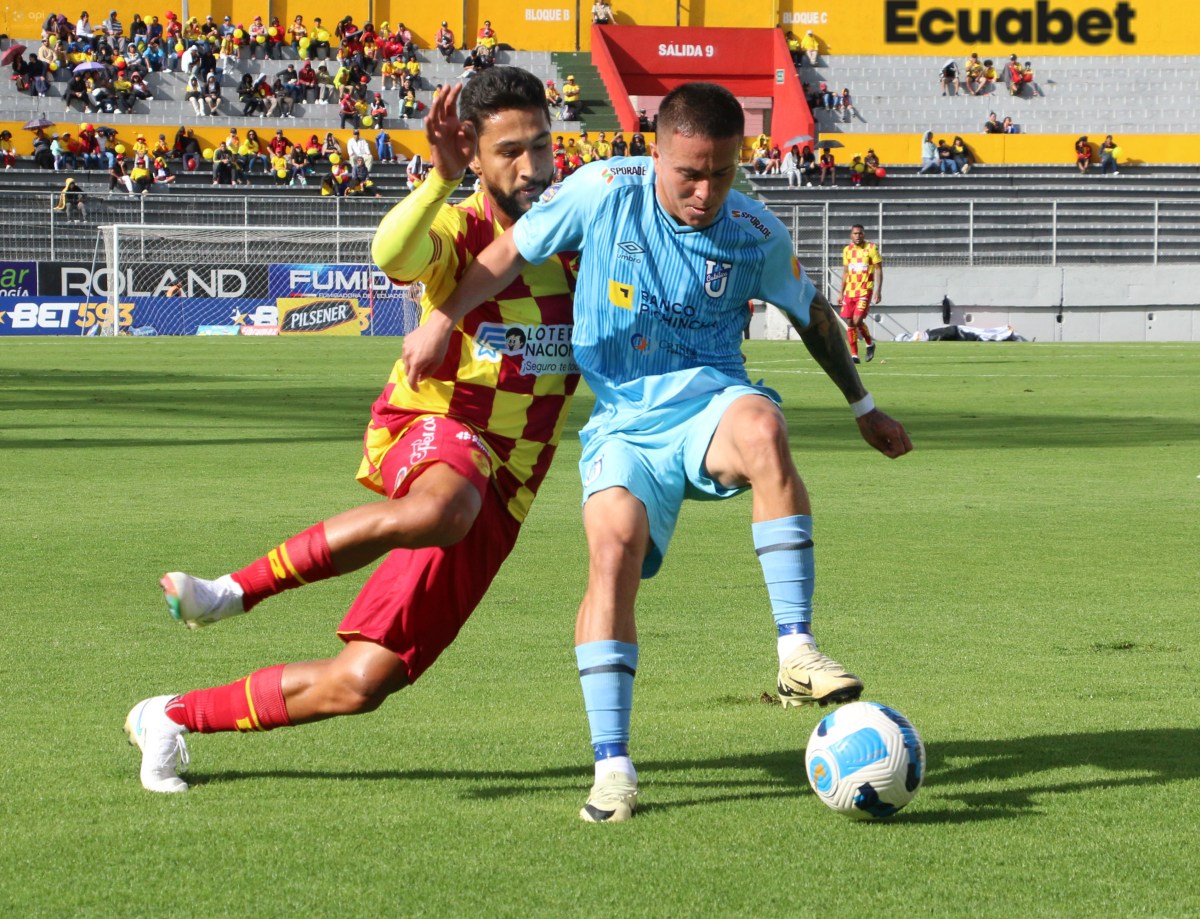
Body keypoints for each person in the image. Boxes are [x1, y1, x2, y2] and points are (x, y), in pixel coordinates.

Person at [400, 80, 912, 823]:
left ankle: (796, 650)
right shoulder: (604, 189)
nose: (707, 191)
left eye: (723, 172)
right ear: (657, 153)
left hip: (710, 403)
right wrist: (444, 319)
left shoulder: (753, 231)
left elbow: (815, 316)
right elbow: (511, 248)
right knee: (611, 556)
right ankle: (612, 766)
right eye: (690, 173)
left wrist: (862, 406)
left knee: (765, 429)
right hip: (621, 423)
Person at [124, 69, 583, 796]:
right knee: (440, 508)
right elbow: (391, 255)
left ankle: (169, 715)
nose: (531, 167)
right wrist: (439, 179)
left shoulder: (580, 233)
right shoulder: (461, 229)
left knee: (362, 681)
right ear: (473, 150)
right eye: (509, 152)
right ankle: (228, 591)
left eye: (541, 147)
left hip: (510, 485)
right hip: (437, 427)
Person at [838, 224, 882, 363]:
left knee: (857, 321)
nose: (858, 236)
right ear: (851, 235)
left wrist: (878, 290)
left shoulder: (871, 248)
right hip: (850, 291)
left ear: (864, 234)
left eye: (860, 233)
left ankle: (870, 343)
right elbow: (845, 272)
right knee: (850, 322)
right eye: (855, 233)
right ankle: (854, 355)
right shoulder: (847, 250)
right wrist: (841, 292)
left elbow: (879, 270)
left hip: (864, 290)